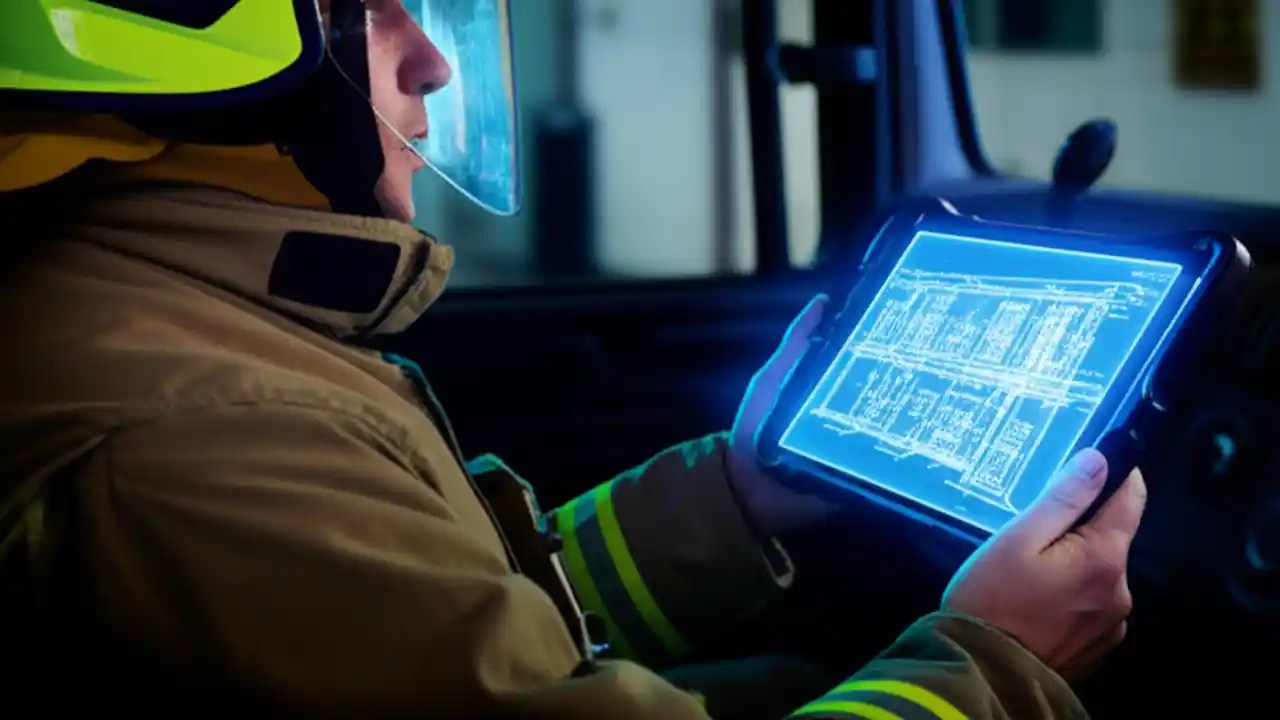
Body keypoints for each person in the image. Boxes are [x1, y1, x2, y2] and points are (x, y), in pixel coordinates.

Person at [0, 1, 1147, 717]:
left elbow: (487, 628)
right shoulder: (205, 439)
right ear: (186, 47)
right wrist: (997, 665)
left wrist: (738, 495)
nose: (430, 64)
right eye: (364, 7)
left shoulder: (175, 320)